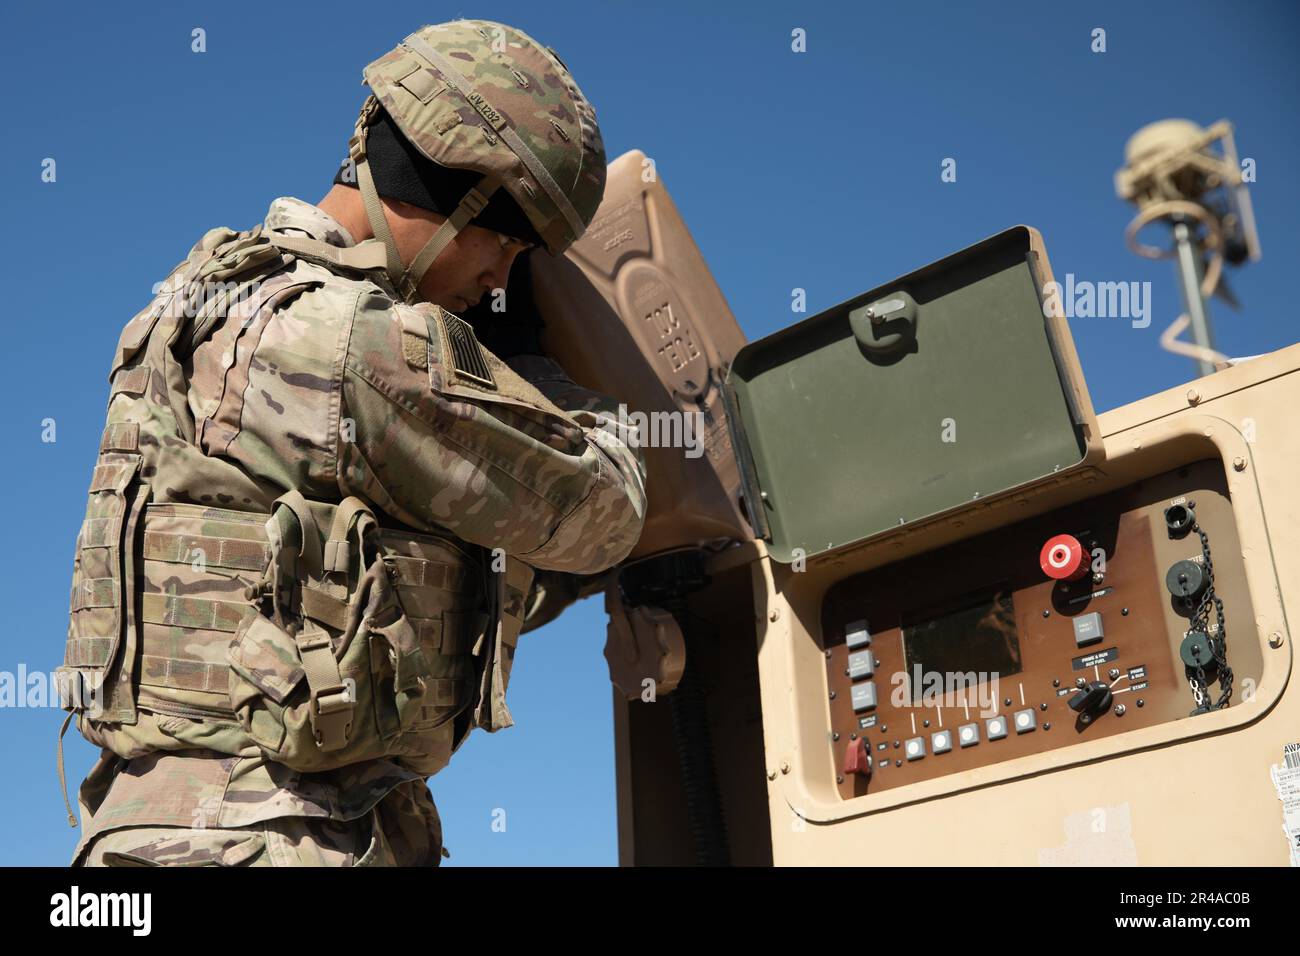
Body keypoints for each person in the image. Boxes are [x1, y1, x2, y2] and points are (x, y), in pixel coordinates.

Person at [57, 18, 647, 867]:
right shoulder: (353, 346)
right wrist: (537, 379)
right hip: (275, 835)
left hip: (139, 837)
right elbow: (604, 509)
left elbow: (384, 581)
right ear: (455, 194)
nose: (499, 283)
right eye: (505, 246)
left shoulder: (197, 302)